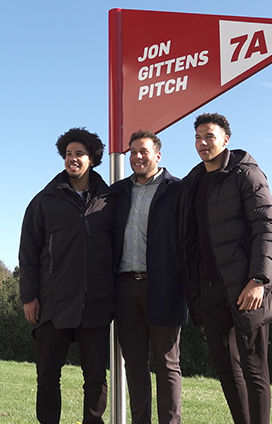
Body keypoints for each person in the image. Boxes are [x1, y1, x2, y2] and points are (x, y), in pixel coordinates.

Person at [179, 113, 272, 424]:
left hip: (244, 285)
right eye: (197, 137)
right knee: (224, 366)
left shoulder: (246, 174)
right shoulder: (193, 181)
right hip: (209, 288)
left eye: (209, 136)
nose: (202, 143)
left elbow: (267, 226)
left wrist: (258, 279)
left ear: (225, 139)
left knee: (253, 365)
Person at [19, 128, 116, 424]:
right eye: (68, 154)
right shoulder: (44, 200)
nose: (72, 159)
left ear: (93, 159)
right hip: (53, 302)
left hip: (96, 303)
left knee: (96, 377)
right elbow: (28, 252)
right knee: (47, 375)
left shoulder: (110, 199)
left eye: (79, 154)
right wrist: (29, 296)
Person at [112, 130, 187, 424]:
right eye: (133, 152)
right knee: (134, 365)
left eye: (143, 151)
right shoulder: (117, 192)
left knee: (167, 365)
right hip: (124, 287)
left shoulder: (177, 190)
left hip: (164, 288)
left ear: (158, 155)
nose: (137, 157)